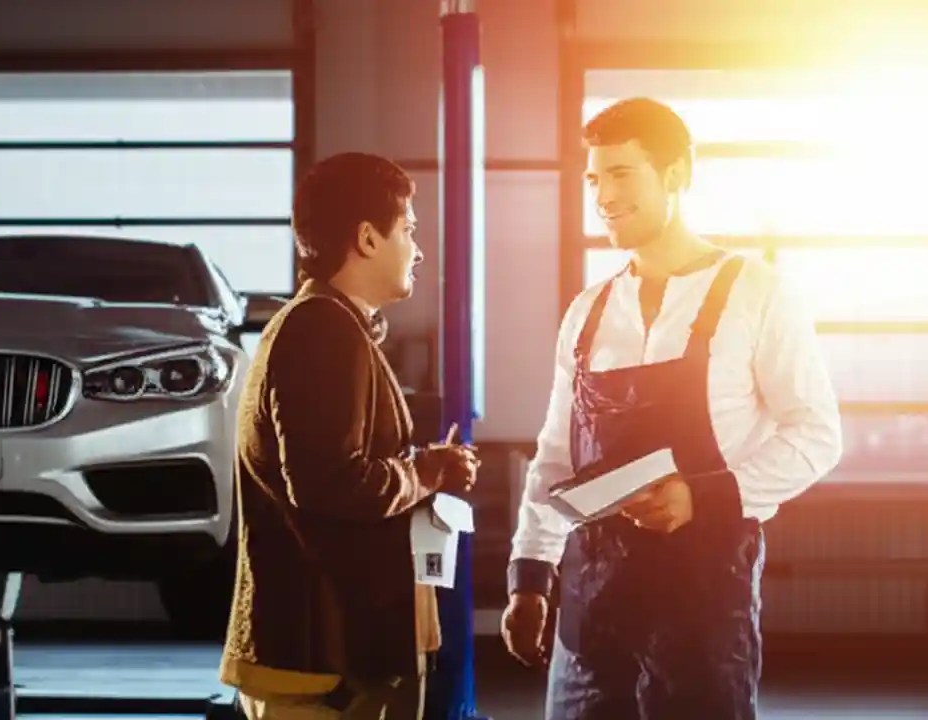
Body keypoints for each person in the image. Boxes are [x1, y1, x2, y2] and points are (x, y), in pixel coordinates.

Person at [501, 98, 843, 719]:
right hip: (592, 616)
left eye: (622, 174)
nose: (603, 195)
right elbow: (555, 455)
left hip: (702, 616)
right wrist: (530, 573)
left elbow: (817, 435)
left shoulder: (757, 292)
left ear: (678, 173)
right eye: (594, 179)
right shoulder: (588, 312)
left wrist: (701, 496)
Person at [220, 152, 480, 720]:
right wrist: (430, 471)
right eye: (407, 230)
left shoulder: (335, 325)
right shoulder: (321, 329)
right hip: (319, 663)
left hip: (331, 658)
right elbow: (330, 483)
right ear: (366, 238)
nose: (417, 248)